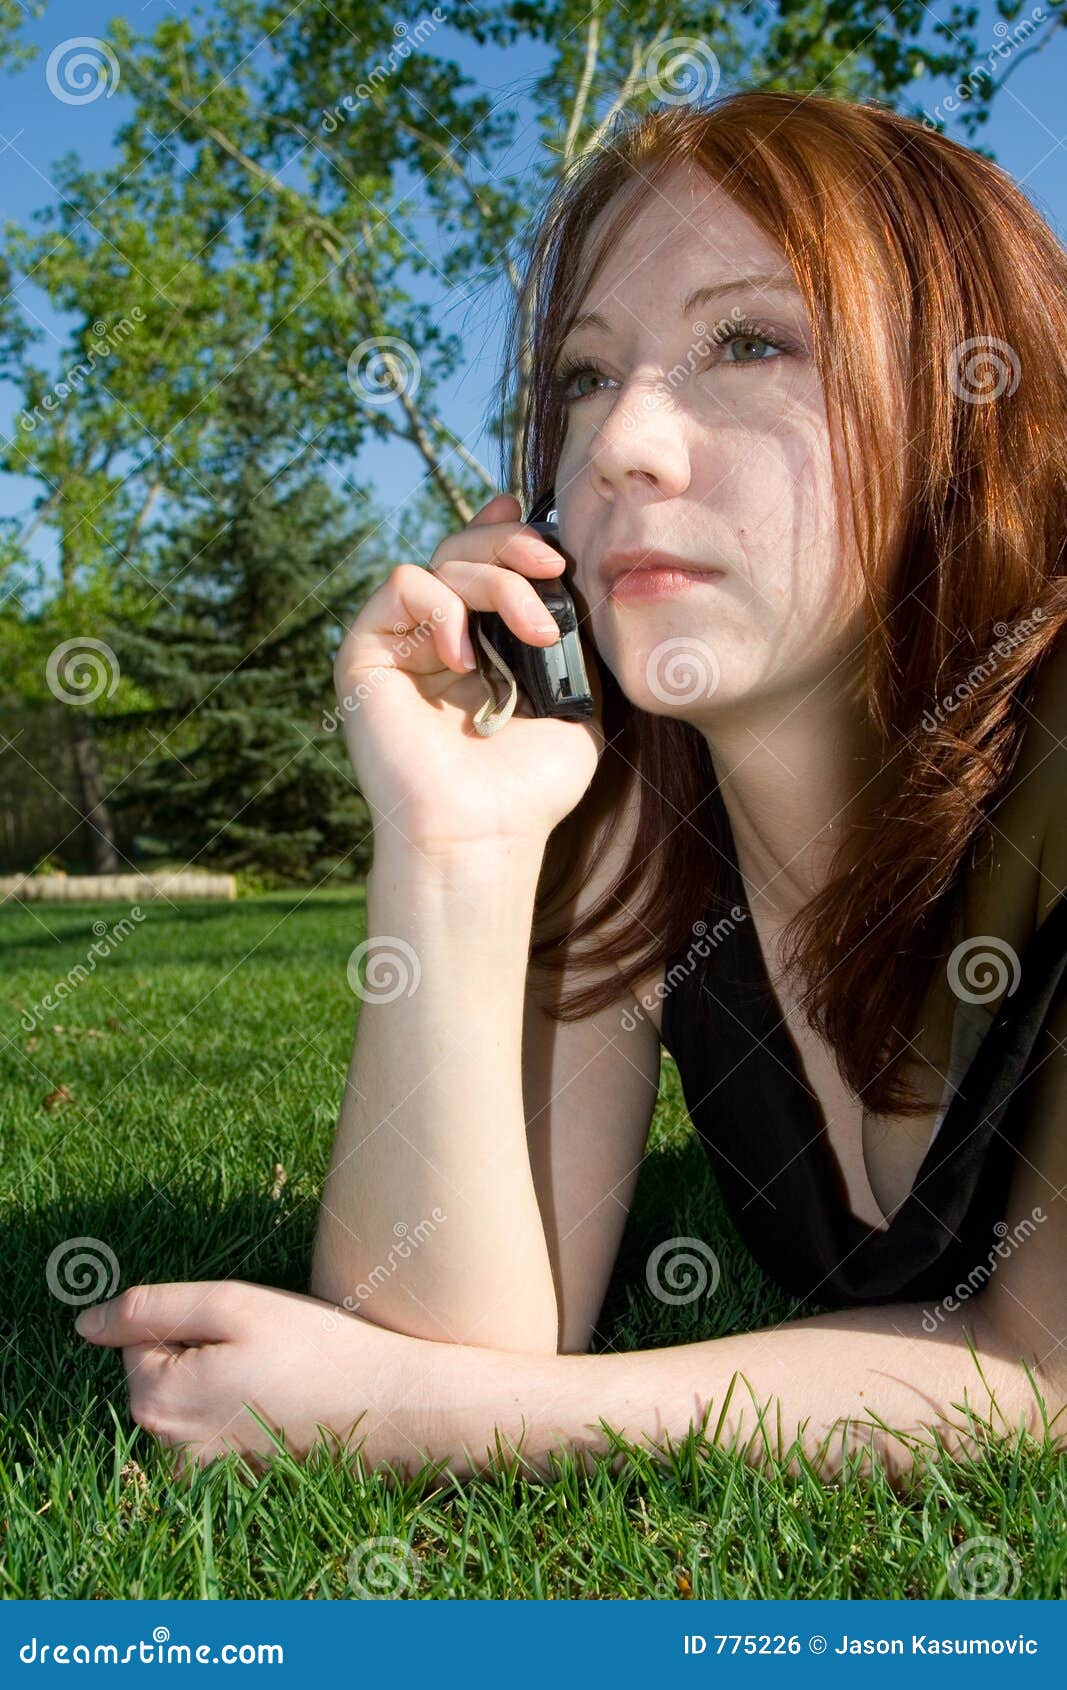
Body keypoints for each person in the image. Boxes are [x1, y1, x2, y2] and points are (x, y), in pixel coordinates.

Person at [77, 89, 1067, 1487]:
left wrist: (440, 1422)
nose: (616, 447)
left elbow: (1041, 1371)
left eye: (749, 343)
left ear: (973, 400)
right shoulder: (627, 806)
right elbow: (437, 1328)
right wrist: (452, 843)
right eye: (587, 377)